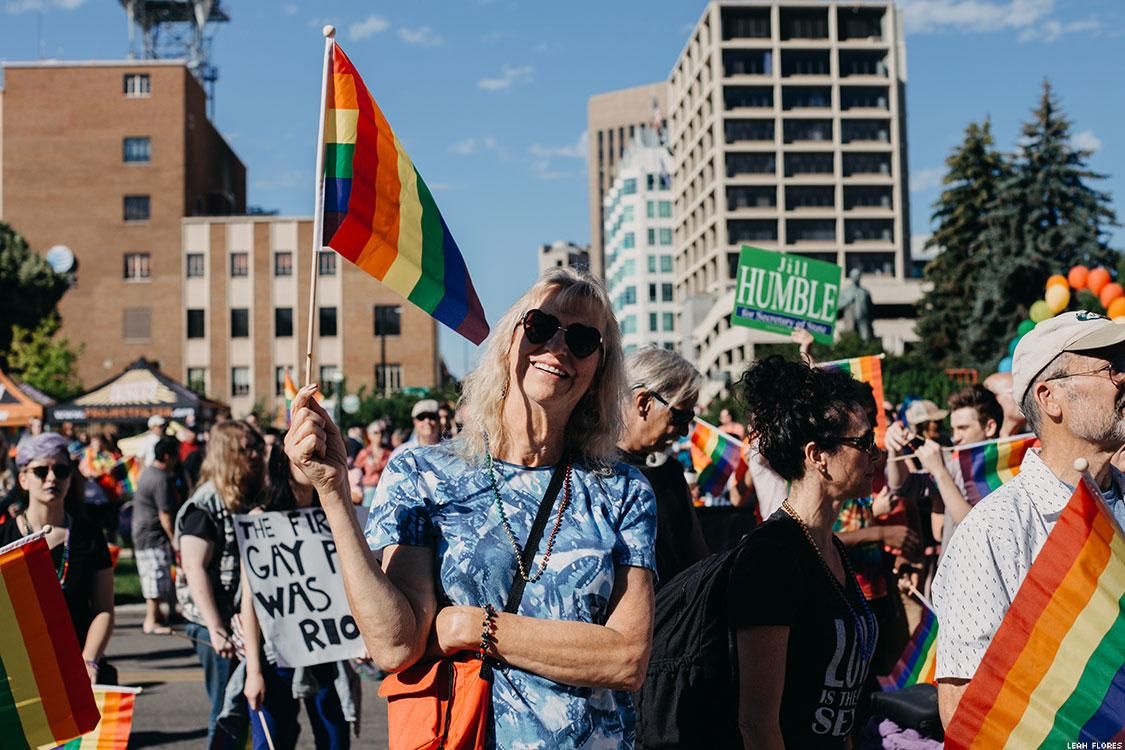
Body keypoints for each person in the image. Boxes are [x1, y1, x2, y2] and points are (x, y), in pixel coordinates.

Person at [286, 267, 657, 748]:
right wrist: (333, 492)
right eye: (541, 327)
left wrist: (469, 625)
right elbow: (396, 645)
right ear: (509, 340)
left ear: (600, 368)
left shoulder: (623, 490)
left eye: (584, 339)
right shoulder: (423, 473)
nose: (559, 349)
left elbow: (627, 658)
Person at [932, 311, 1125, 727]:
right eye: (1112, 367)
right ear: (1049, 397)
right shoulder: (993, 531)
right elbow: (966, 711)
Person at [733, 356, 880, 748]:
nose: (875, 454)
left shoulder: (829, 546)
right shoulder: (771, 557)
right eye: (863, 442)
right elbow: (757, 723)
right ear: (818, 456)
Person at [241, 443, 356, 749]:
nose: (313, 463)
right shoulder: (260, 519)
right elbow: (250, 603)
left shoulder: (334, 516)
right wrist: (253, 672)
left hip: (326, 650)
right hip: (276, 655)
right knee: (274, 740)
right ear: (283, 463)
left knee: (334, 740)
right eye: (305, 457)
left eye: (318, 455)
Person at [174, 421, 266, 743]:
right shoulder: (204, 505)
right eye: (246, 449)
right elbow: (194, 569)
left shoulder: (248, 496)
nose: (255, 455)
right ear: (226, 454)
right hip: (215, 623)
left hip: (244, 617)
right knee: (226, 709)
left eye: (257, 447)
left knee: (248, 705)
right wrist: (216, 628)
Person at [1, 433, 115, 682]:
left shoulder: (89, 536)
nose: (52, 478)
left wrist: (89, 659)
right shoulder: (5, 537)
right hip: (19, 676)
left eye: (61, 470)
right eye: (41, 471)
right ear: (23, 478)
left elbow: (103, 608)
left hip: (80, 670)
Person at [618, 347, 709, 585]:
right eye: (679, 417)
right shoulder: (589, 471)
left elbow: (697, 558)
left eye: (689, 420)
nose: (684, 431)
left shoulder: (670, 472)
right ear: (644, 402)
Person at [132, 436, 181, 634]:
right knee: (155, 575)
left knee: (154, 574)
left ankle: (158, 615)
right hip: (152, 534)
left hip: (142, 532)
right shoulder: (162, 479)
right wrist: (174, 539)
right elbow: (165, 514)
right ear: (167, 456)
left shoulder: (148, 472)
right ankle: (151, 620)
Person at [982, 371, 1028, 436]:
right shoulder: (982, 444)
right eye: (1016, 391)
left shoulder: (1035, 439)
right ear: (995, 398)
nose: (1026, 396)